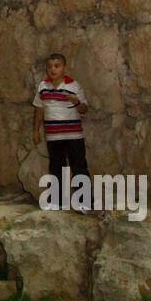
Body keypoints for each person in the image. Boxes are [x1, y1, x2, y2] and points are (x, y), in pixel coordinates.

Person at [32, 52, 94, 212]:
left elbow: (84, 109)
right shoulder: (43, 87)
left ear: (64, 68)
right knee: (56, 168)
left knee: (79, 167)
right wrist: (36, 131)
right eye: (50, 66)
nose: (53, 69)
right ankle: (57, 201)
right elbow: (39, 109)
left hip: (73, 135)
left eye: (57, 66)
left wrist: (77, 102)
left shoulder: (73, 86)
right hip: (53, 136)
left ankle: (85, 202)